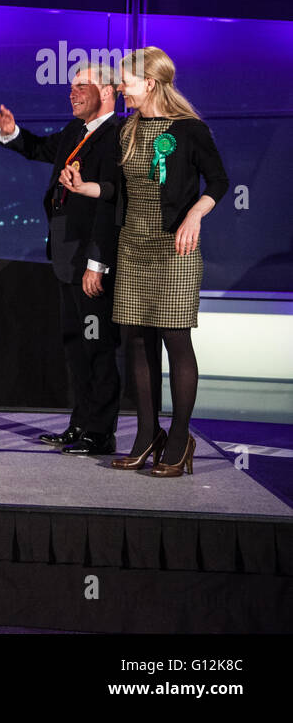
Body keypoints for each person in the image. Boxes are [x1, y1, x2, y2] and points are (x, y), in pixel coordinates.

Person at [60, 47, 227, 477]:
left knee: (175, 339)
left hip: (175, 250)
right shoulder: (127, 130)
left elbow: (219, 181)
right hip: (132, 248)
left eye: (126, 82)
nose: (120, 88)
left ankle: (179, 439)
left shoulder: (189, 130)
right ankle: (147, 435)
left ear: (149, 83)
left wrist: (195, 214)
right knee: (136, 342)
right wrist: (85, 188)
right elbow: (117, 192)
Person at [0, 64, 122, 454]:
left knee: (98, 346)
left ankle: (101, 432)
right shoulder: (74, 131)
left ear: (108, 91)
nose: (73, 92)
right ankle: (80, 423)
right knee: (76, 345)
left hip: (93, 258)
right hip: (66, 256)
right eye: (71, 86)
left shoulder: (118, 136)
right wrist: (11, 132)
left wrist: (97, 262)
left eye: (82, 85)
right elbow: (39, 149)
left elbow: (112, 204)